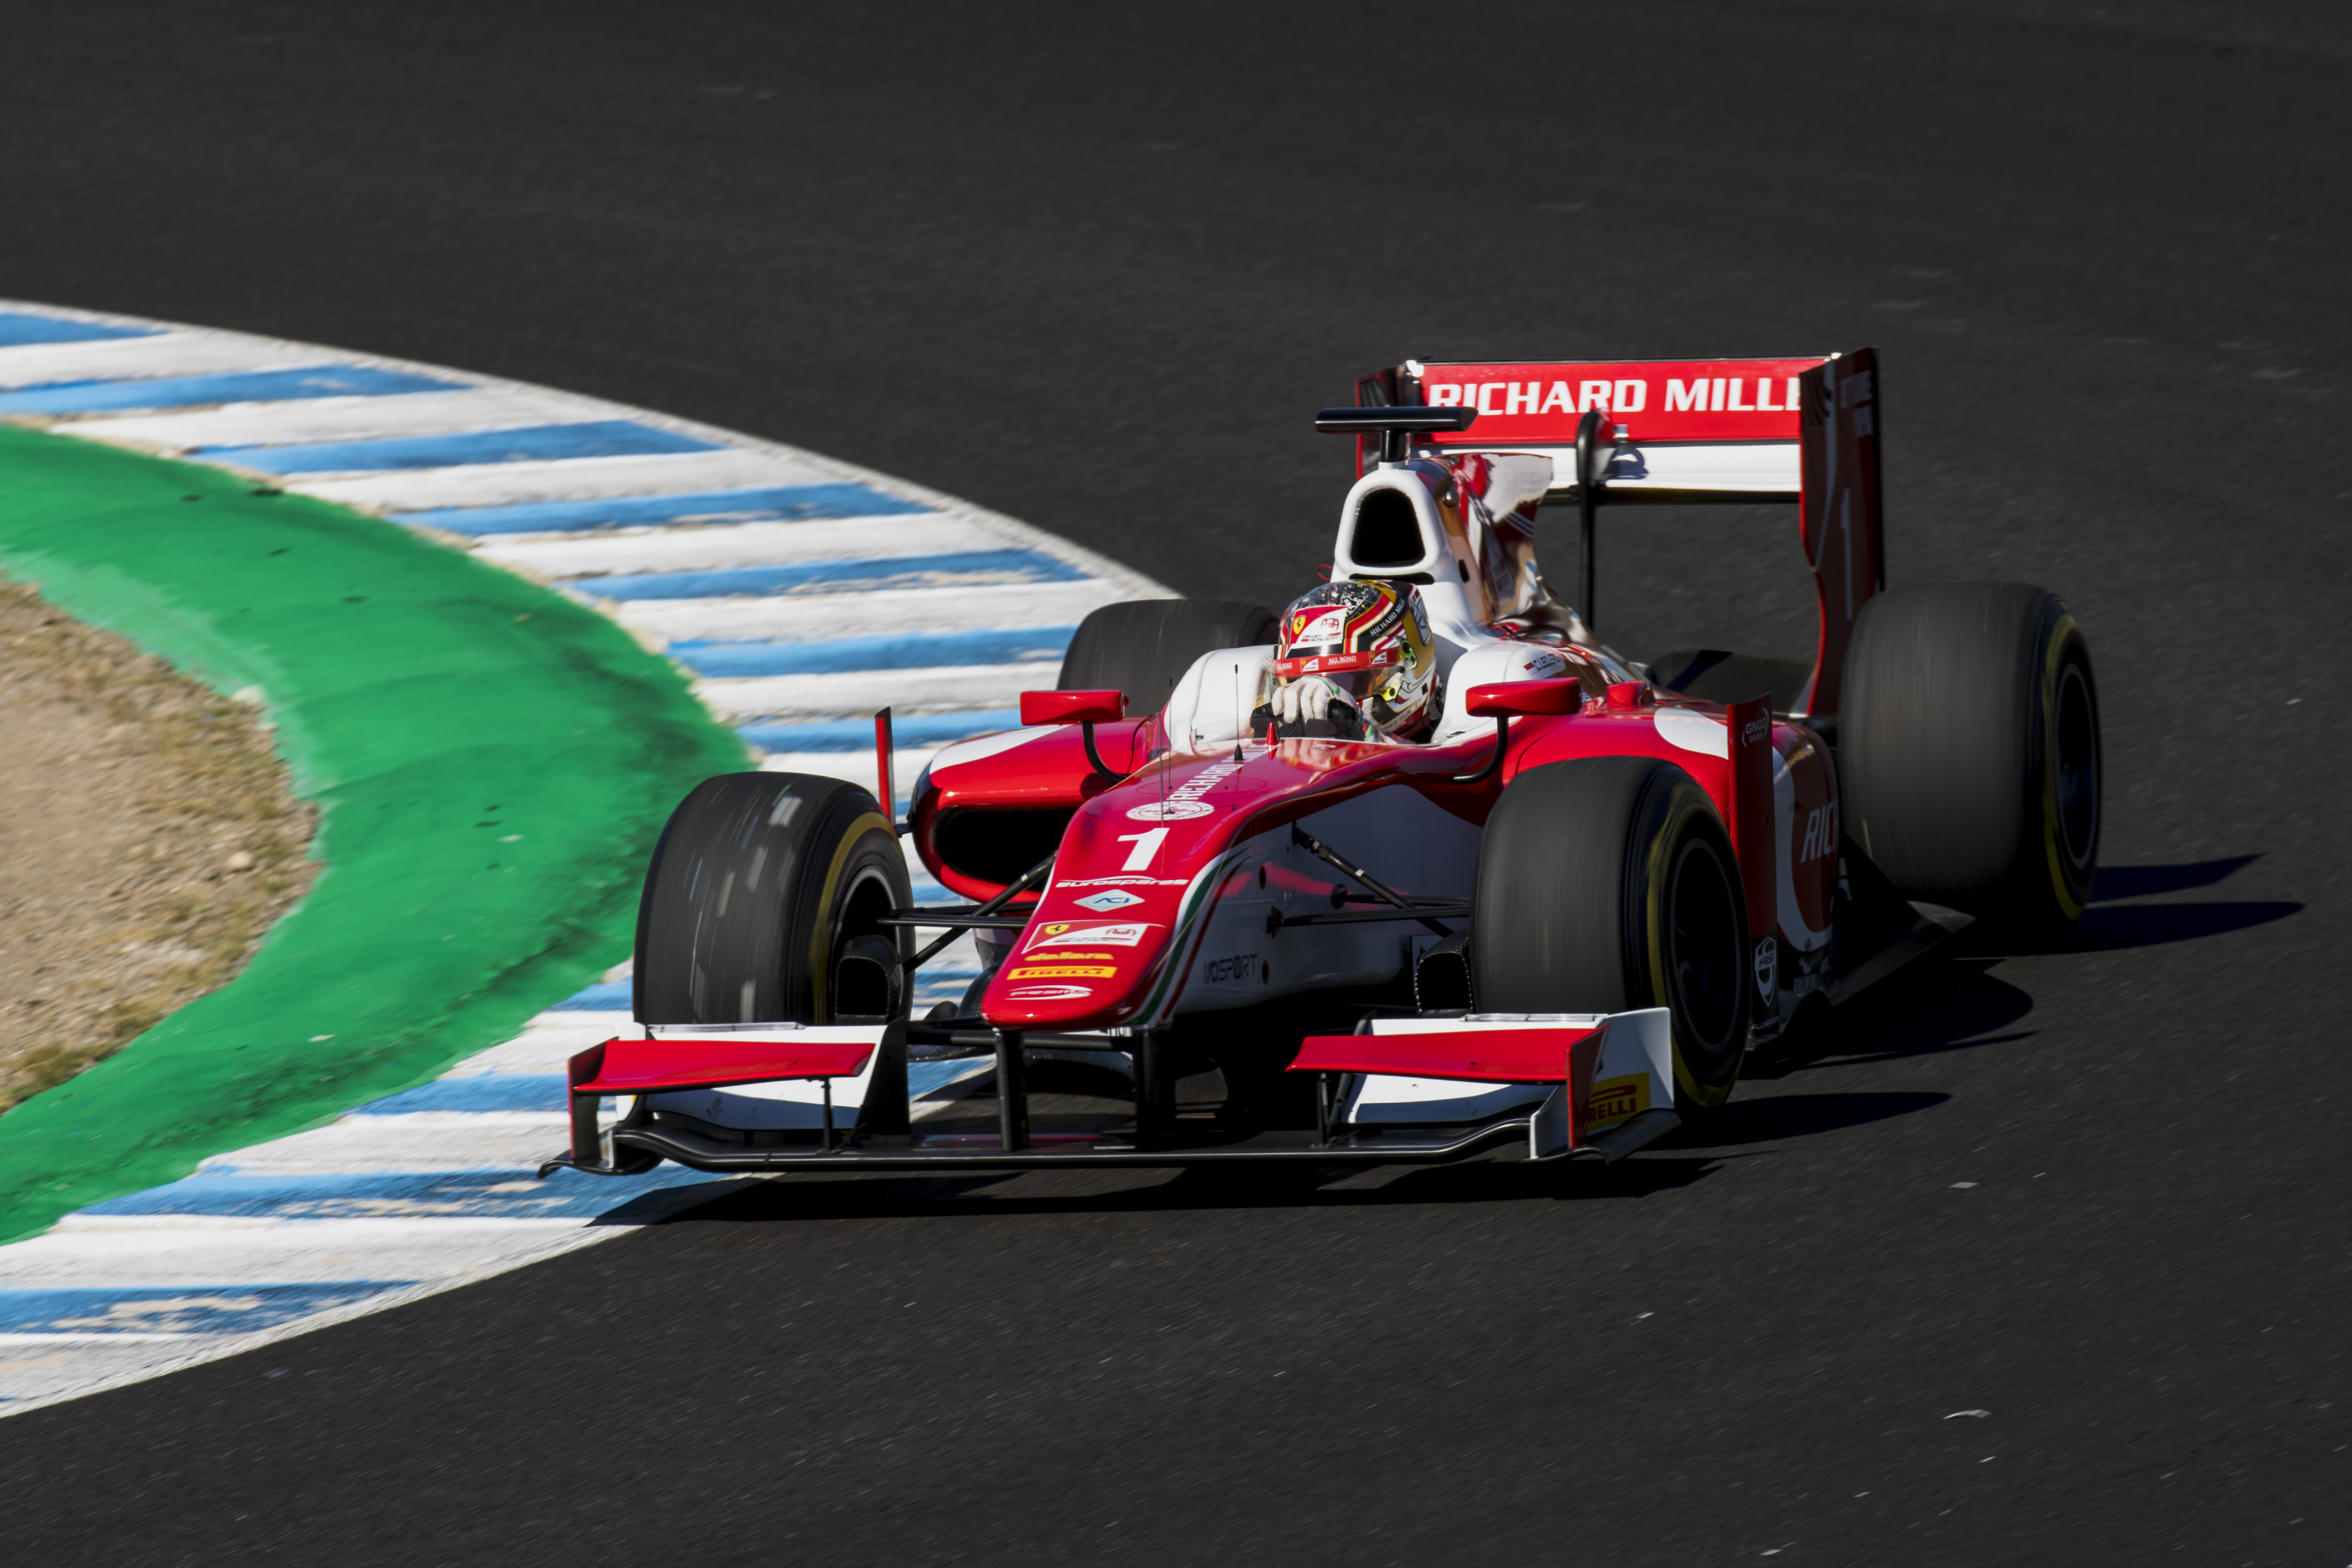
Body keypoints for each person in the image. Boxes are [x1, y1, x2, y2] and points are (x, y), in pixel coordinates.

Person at [1248, 580, 1439, 742]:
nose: (1315, 702)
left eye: (1346, 681)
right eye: (1297, 683)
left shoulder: (1453, 744)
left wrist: (1360, 731)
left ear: (1409, 663)